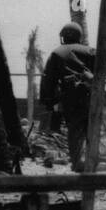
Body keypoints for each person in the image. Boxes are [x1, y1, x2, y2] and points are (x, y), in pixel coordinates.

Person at [39, 22, 96, 171]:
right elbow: (105, 69)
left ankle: (78, 162)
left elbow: (48, 79)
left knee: (75, 130)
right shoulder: (91, 51)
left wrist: (49, 101)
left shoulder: (57, 53)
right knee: (92, 129)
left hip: (72, 98)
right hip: (93, 96)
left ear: (64, 36)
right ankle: (92, 161)